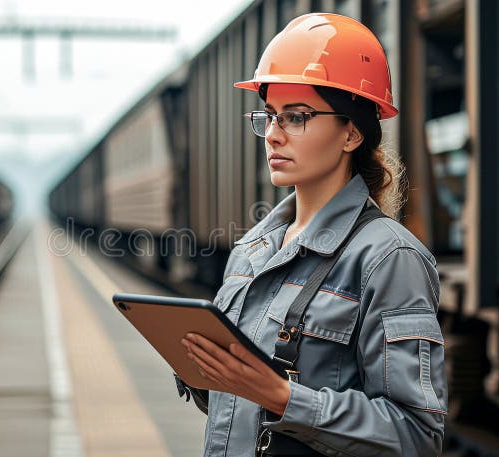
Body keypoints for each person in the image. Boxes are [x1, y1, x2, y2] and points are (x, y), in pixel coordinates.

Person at [178, 13, 447, 457]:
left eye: (296, 117)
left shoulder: (389, 259)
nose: (272, 135)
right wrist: (205, 372)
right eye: (268, 116)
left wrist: (283, 397)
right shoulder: (252, 251)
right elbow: (236, 413)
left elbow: (417, 436)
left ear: (351, 133)